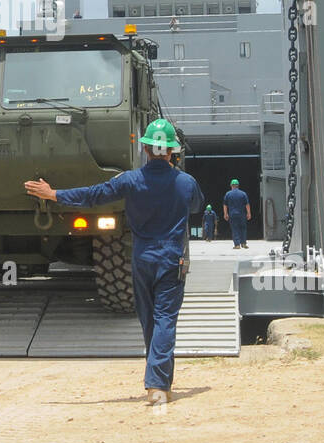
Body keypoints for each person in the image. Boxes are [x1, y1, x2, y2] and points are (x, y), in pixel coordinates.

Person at [25, 118, 201, 405]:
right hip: (172, 259)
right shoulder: (186, 182)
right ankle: (158, 383)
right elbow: (195, 205)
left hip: (142, 258)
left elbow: (93, 196)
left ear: (144, 148)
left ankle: (158, 380)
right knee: (165, 319)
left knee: (149, 321)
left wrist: (54, 194)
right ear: (172, 151)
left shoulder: (130, 180)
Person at [222, 179, 250, 249]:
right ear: (238, 185)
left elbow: (225, 205)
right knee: (243, 228)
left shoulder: (228, 194)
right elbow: (247, 204)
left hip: (233, 214)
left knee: (235, 229)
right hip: (242, 214)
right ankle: (243, 243)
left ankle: (237, 245)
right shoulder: (243, 193)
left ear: (231, 185)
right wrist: (249, 213)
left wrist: (225, 214)